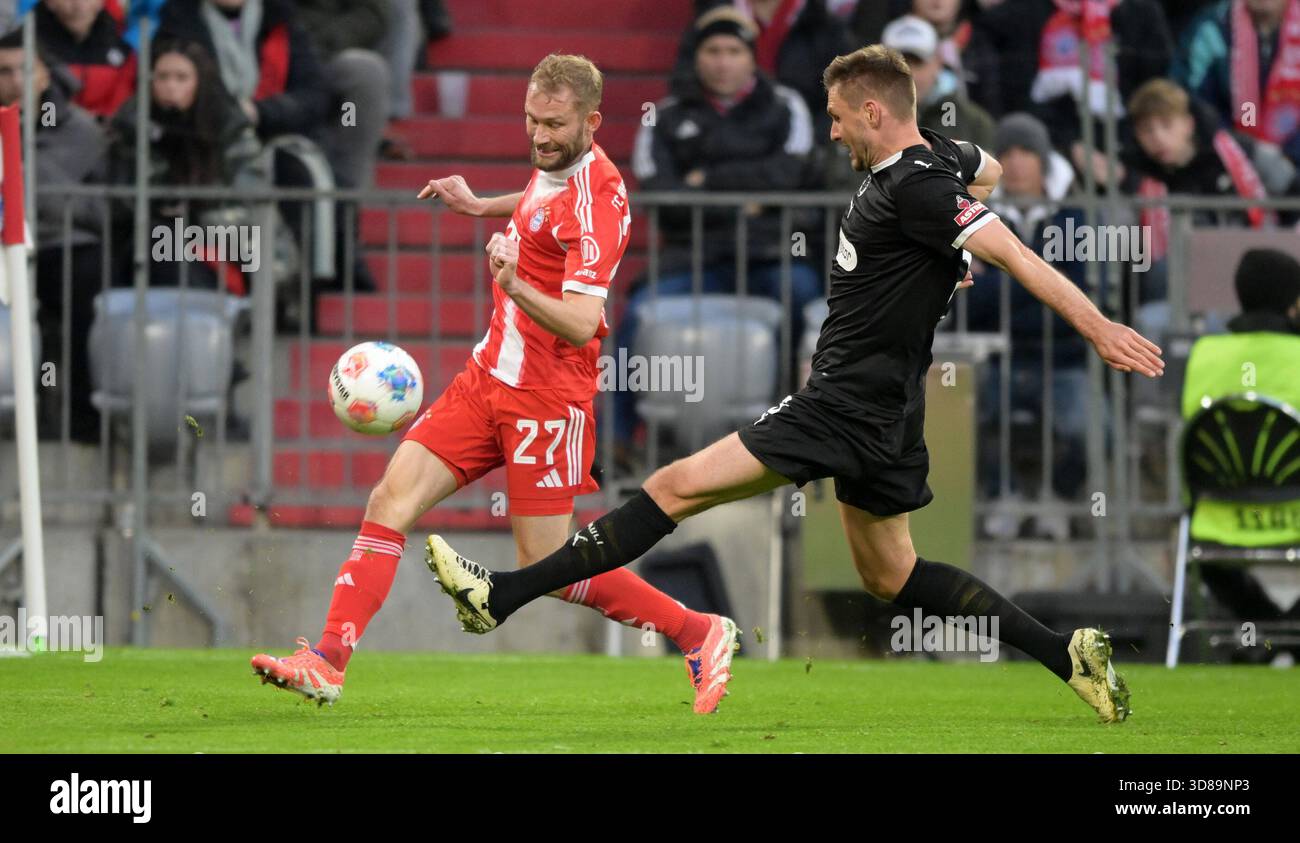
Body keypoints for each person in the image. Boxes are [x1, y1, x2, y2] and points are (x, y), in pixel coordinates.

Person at [427, 45, 1167, 724]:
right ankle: (1066, 652)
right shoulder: (936, 161)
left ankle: (502, 593)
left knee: (674, 486)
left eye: (841, 119)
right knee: (890, 574)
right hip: (890, 412)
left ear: (874, 113)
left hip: (842, 403)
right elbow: (992, 172)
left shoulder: (916, 188)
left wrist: (1097, 326)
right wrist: (944, 251)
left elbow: (1013, 251)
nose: (834, 135)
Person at [250, 55, 739, 714]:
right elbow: (541, 203)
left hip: (548, 398)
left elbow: (583, 321)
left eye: (555, 125)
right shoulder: (555, 166)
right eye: (532, 119)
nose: (539, 136)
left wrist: (514, 284)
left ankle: (697, 629)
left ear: (592, 122)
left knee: (552, 564)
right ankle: (328, 660)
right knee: (389, 498)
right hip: (486, 378)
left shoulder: (600, 203)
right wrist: (483, 205)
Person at [621, 7, 823, 452]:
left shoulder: (786, 106)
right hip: (693, 255)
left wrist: (706, 182)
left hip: (770, 253)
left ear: (751, 57)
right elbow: (661, 196)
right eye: (713, 50)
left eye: (733, 51)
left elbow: (790, 175)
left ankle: (794, 425)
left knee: (807, 304)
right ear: (698, 58)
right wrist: (747, 201)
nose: (722, 61)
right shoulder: (664, 115)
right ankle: (617, 439)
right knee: (634, 312)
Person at [1179, 248, 1300, 654]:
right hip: (1294, 512)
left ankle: (1268, 641)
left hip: (1215, 513)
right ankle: (1286, 640)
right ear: (1294, 303)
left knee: (1210, 562)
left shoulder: (1204, 354)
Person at [0, 31, 108, 442]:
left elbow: (101, 209)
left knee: (85, 280)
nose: (15, 80)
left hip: (58, 246)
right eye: (4, 71)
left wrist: (34, 190)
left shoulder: (80, 131)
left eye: (25, 69)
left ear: (45, 75)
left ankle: (79, 412)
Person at [1175, 0, 1300, 168]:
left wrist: (1290, 155)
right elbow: (1189, 97)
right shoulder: (1212, 26)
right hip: (1225, 161)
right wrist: (1244, 148)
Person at [34, 0, 136, 117]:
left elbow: (122, 104)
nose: (78, 5)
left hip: (107, 131)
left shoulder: (122, 49)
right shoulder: (30, 47)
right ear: (50, 3)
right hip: (50, 128)